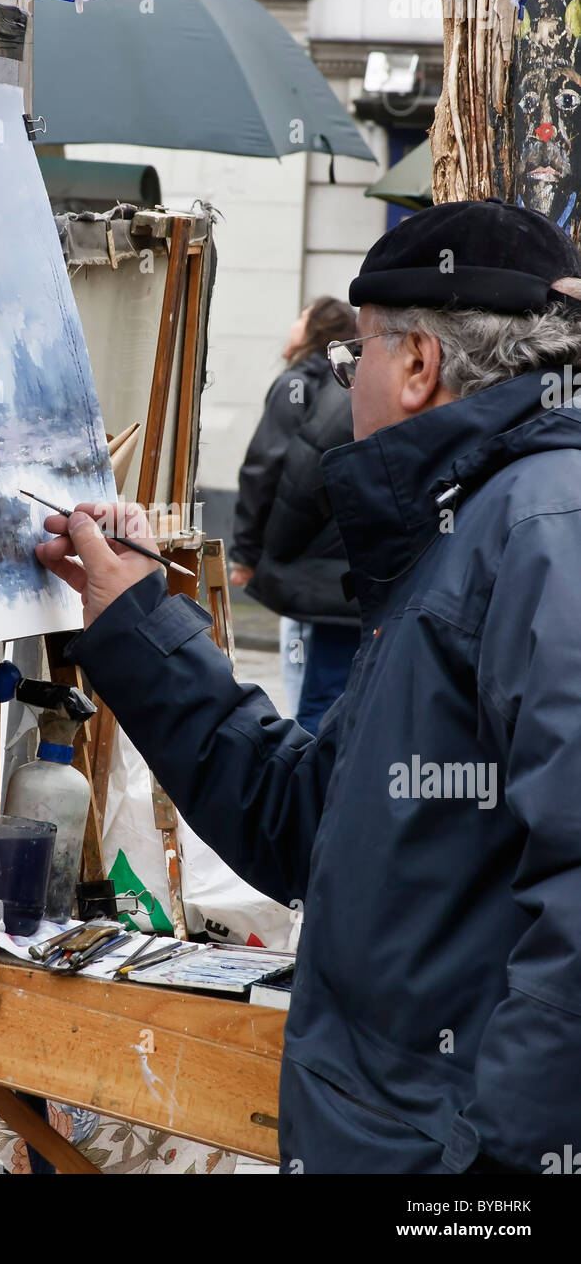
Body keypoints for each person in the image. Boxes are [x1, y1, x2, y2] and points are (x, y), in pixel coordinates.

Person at [35, 198, 581, 1175]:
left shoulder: (538, 527)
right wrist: (137, 622)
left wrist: (497, 1167)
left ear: (417, 364)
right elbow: (307, 819)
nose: (344, 379)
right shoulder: (469, 531)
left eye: (353, 355)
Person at [229, 297, 359, 724]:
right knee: (340, 694)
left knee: (314, 698)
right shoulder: (352, 384)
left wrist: (248, 552)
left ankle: (309, 768)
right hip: (348, 568)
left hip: (310, 565)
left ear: (316, 330)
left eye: (301, 317)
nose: (293, 325)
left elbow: (264, 468)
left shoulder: (297, 384)